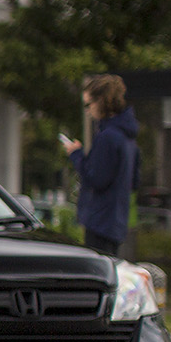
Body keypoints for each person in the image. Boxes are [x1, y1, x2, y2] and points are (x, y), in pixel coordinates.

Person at [60, 74, 140, 257]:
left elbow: (95, 178)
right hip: (117, 220)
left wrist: (76, 154)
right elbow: (134, 181)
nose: (88, 111)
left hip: (100, 221)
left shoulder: (108, 137)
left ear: (102, 101)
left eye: (89, 105)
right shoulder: (128, 137)